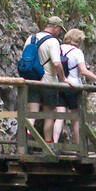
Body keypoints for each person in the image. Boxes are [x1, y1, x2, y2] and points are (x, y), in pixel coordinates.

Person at [20, 15, 68, 143]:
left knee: (33, 113)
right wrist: (63, 78)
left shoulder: (31, 38)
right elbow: (57, 63)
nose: (60, 33)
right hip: (48, 82)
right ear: (55, 27)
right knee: (49, 114)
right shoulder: (53, 42)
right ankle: (48, 145)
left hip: (32, 80)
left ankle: (26, 141)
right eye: (60, 30)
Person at [61, 29, 96, 148]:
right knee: (76, 118)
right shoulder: (77, 52)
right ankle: (79, 146)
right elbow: (84, 71)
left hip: (58, 85)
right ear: (79, 40)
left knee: (59, 116)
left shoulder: (59, 47)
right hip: (73, 86)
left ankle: (53, 145)